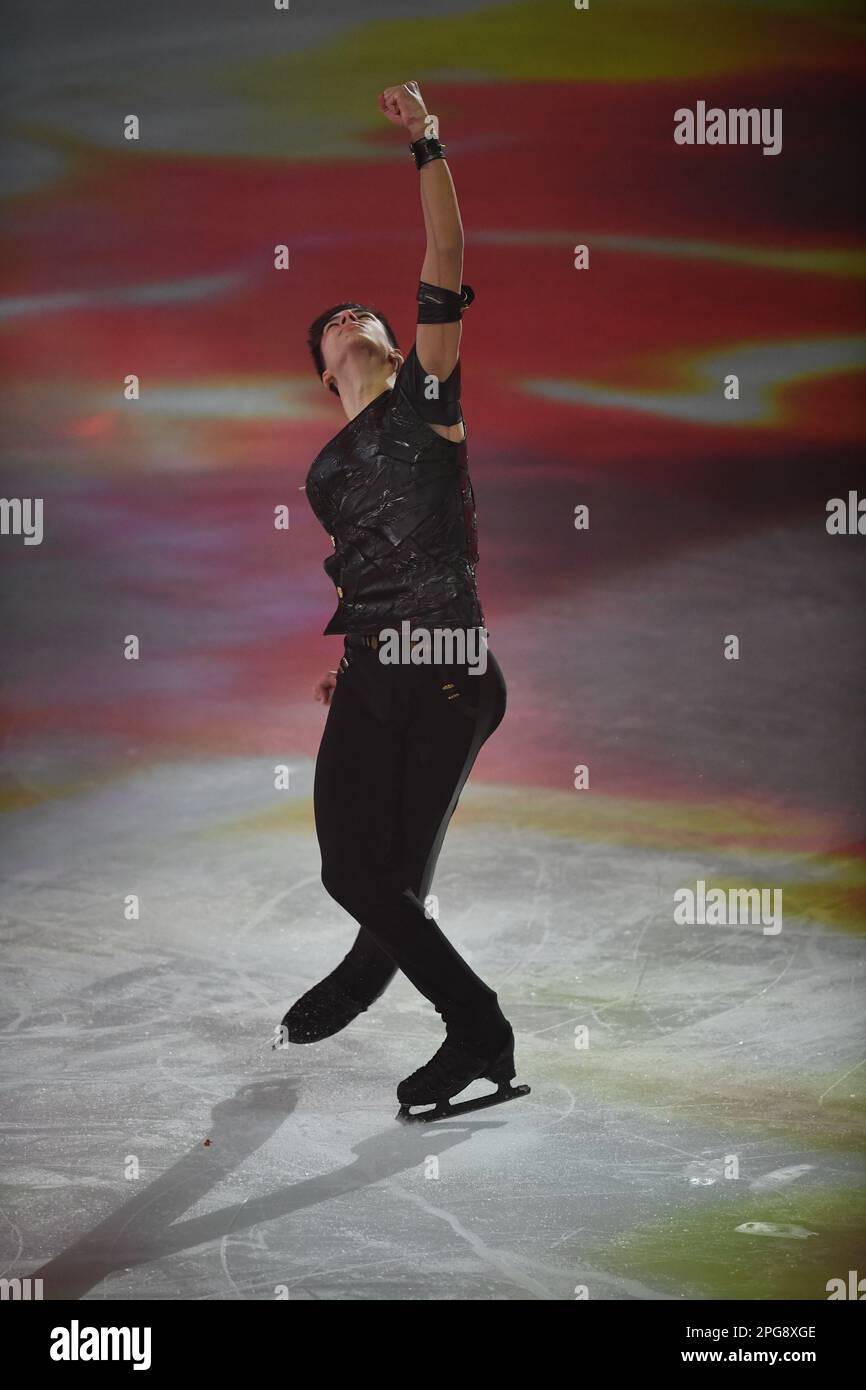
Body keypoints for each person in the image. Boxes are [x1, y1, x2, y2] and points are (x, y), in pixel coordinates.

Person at [279, 82, 527, 1121]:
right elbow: (377, 559)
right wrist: (359, 647)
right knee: (353, 869)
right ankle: (377, 960)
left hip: (450, 672)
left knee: (390, 872)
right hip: (381, 667)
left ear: (392, 340)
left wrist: (424, 141)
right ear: (322, 369)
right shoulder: (324, 472)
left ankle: (475, 1030)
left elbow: (446, 259)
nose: (352, 314)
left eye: (365, 312)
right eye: (333, 322)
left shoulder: (427, 396)